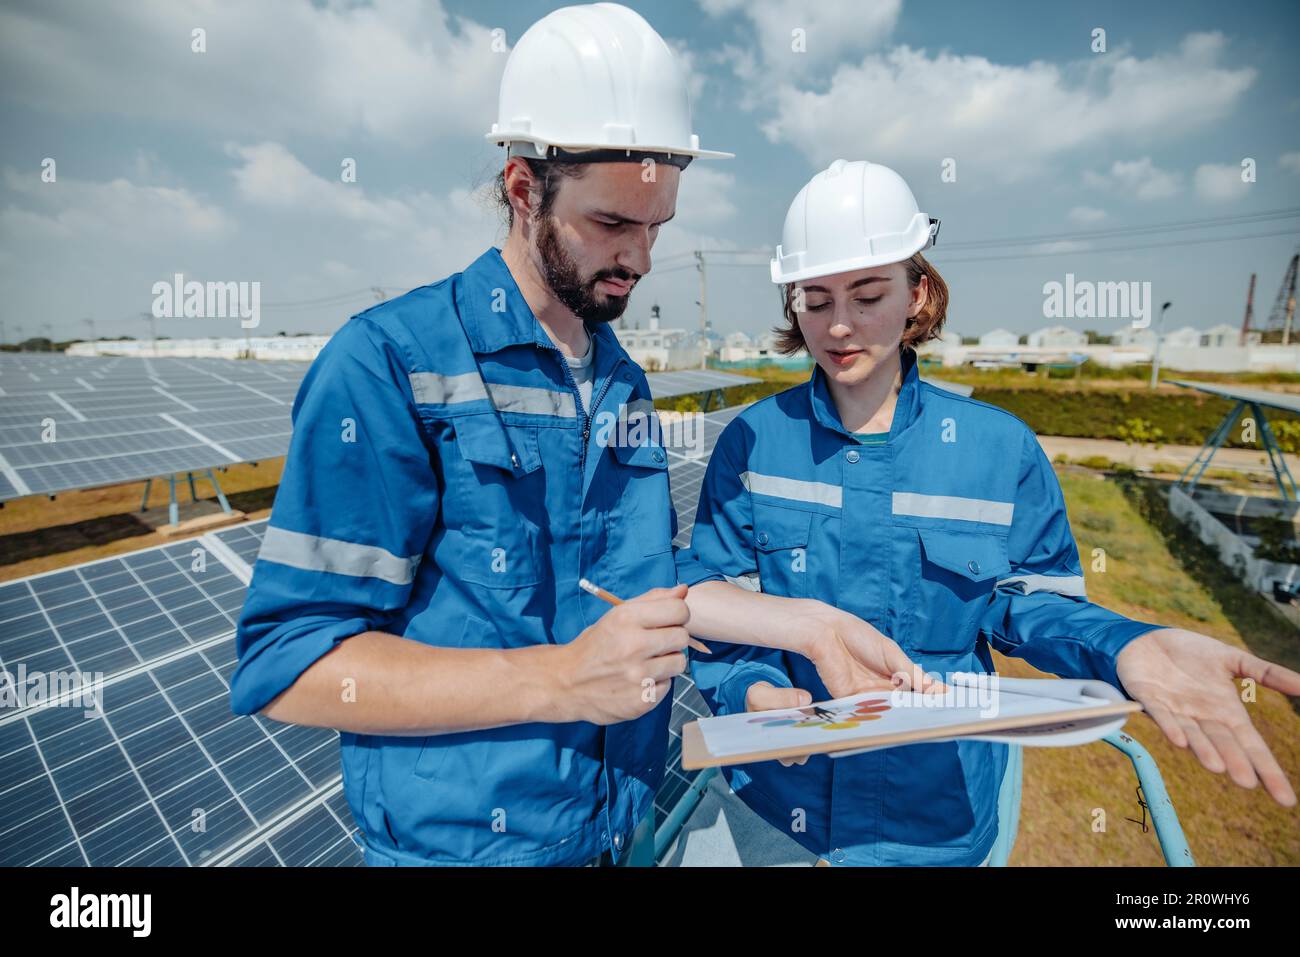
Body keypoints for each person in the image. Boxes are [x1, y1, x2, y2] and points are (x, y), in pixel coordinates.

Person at [227, 5, 919, 868]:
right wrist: (556, 679)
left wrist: (809, 623)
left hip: (615, 832)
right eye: (612, 225)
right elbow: (290, 661)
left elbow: (642, 594)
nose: (642, 258)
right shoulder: (388, 365)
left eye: (657, 226)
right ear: (524, 189)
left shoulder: (621, 379)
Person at [679, 159, 1300, 866]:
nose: (840, 325)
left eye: (868, 293)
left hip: (933, 818)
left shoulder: (998, 448)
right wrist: (755, 690)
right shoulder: (754, 444)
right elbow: (719, 602)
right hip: (776, 809)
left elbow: (1030, 601)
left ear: (918, 292)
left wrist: (1124, 643)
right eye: (814, 300)